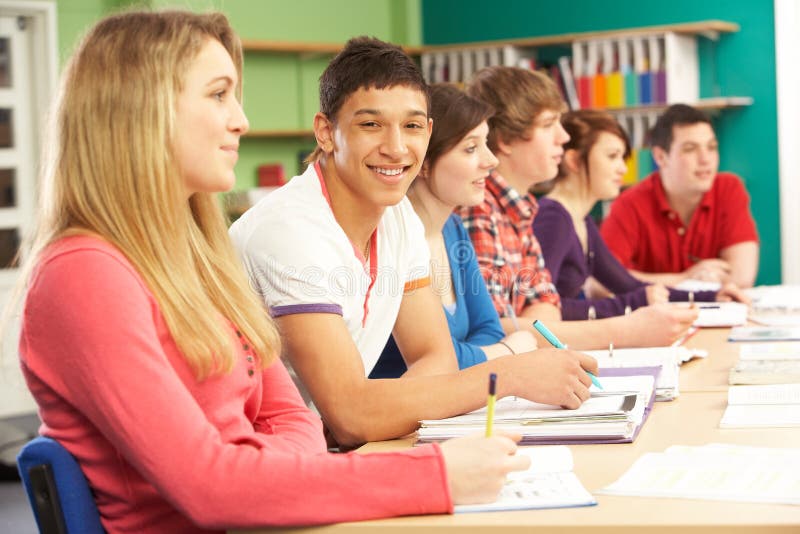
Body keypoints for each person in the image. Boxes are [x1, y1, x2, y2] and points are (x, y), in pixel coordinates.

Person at [14, 11, 533, 533]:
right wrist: (436, 475)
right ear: (139, 111)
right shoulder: (83, 276)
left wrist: (256, 469)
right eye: (218, 95)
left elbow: (292, 419)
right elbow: (212, 486)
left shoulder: (198, 260)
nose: (241, 119)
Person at [230, 37, 598, 449]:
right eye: (371, 124)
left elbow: (433, 358)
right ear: (326, 133)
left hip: (325, 449)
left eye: (412, 126)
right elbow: (352, 415)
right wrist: (509, 376)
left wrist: (372, 412)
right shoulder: (290, 231)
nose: (396, 147)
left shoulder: (398, 217)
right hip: (265, 462)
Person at [459, 66, 698, 348]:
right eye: (548, 125)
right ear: (505, 140)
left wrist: (530, 327)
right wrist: (626, 331)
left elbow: (546, 313)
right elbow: (495, 330)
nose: (563, 137)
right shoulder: (478, 208)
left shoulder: (524, 210)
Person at [372, 84, 538, 378]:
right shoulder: (390, 238)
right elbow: (439, 359)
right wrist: (510, 351)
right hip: (400, 416)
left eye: (486, 144)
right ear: (423, 162)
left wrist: (480, 355)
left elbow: (488, 328)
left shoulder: (453, 229)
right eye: (471, 148)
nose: (491, 161)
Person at [534, 109, 747, 320]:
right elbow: (539, 309)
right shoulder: (554, 219)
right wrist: (634, 302)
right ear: (574, 161)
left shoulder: (581, 220)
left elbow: (627, 285)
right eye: (612, 157)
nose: (622, 169)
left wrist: (711, 296)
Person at [600, 104, 759, 288]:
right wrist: (686, 278)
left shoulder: (729, 189)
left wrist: (643, 280)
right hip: (655, 315)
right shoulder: (629, 204)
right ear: (661, 157)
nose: (705, 159)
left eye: (712, 147)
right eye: (690, 149)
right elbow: (600, 284)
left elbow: (742, 276)